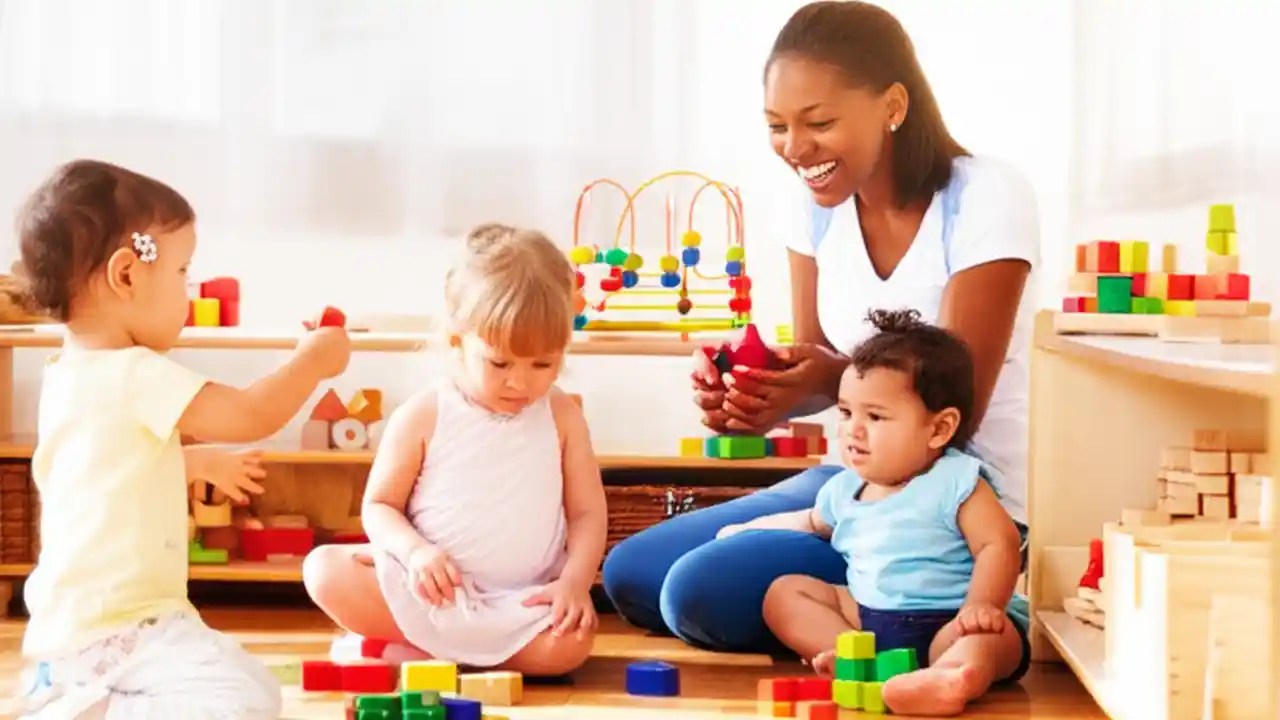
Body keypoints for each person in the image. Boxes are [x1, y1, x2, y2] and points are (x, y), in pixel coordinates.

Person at [602, 0, 1039, 653]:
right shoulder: (812, 210)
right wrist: (755, 392)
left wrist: (831, 377)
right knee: (630, 574)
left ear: (893, 106)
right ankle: (875, 614)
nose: (794, 148)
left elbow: (956, 406)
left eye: (820, 122)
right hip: (851, 488)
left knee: (692, 593)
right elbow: (817, 364)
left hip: (953, 506)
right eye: (777, 126)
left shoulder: (984, 196)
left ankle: (900, 613)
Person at [14, 158, 352, 718]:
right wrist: (313, 362)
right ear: (127, 275)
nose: (188, 294)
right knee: (243, 700)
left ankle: (78, 695)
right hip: (126, 625)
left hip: (75, 625)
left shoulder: (69, 373)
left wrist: (190, 464)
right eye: (181, 273)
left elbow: (101, 476)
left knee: (255, 685)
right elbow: (250, 414)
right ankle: (93, 711)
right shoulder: (134, 372)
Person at [302, 223, 607, 676]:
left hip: (518, 603)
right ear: (457, 342)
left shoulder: (562, 416)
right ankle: (456, 650)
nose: (520, 382)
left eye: (543, 364)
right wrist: (415, 553)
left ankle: (420, 650)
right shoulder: (425, 413)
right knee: (325, 570)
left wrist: (574, 584)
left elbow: (587, 513)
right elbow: (380, 507)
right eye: (499, 362)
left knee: (571, 644)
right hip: (431, 593)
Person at [743, 309, 1027, 716]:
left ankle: (949, 678)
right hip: (870, 623)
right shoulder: (845, 489)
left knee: (987, 642)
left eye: (874, 416)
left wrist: (980, 607)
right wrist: (747, 527)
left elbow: (999, 543)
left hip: (951, 622)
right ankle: (850, 657)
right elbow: (810, 523)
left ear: (939, 429)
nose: (853, 430)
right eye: (846, 413)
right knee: (785, 594)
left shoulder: (956, 480)